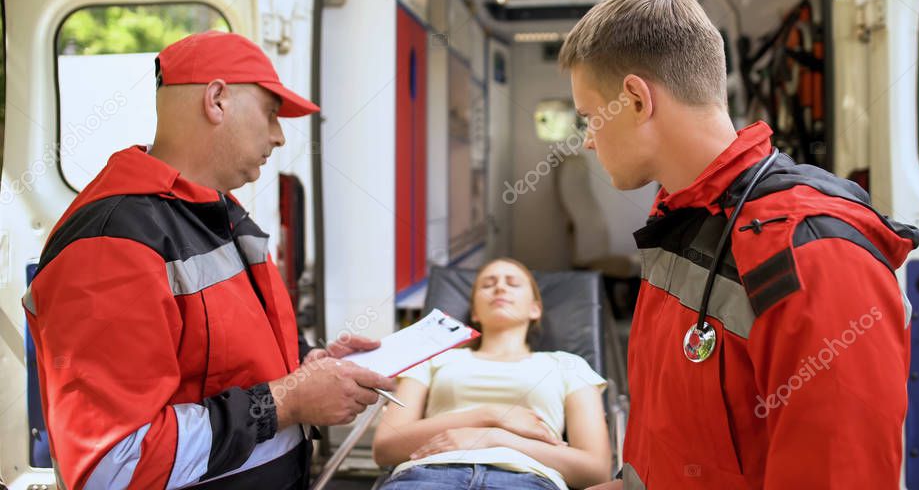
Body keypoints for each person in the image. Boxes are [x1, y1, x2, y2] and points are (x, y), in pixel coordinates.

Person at [559, 0, 919, 489]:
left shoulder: (813, 256)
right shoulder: (680, 218)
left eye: (589, 117)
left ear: (638, 100)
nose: (591, 139)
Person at [22, 31, 395, 489]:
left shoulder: (222, 214)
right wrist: (288, 401)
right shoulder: (111, 243)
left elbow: (229, 370)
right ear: (217, 100)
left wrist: (309, 366)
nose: (279, 137)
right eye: (272, 114)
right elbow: (112, 467)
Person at [372, 258, 612, 490]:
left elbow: (595, 470)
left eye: (513, 283)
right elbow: (386, 448)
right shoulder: (433, 359)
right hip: (427, 473)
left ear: (535, 309)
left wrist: (495, 438)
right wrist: (490, 415)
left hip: (527, 478)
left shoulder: (568, 364)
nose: (499, 287)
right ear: (474, 312)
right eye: (487, 284)